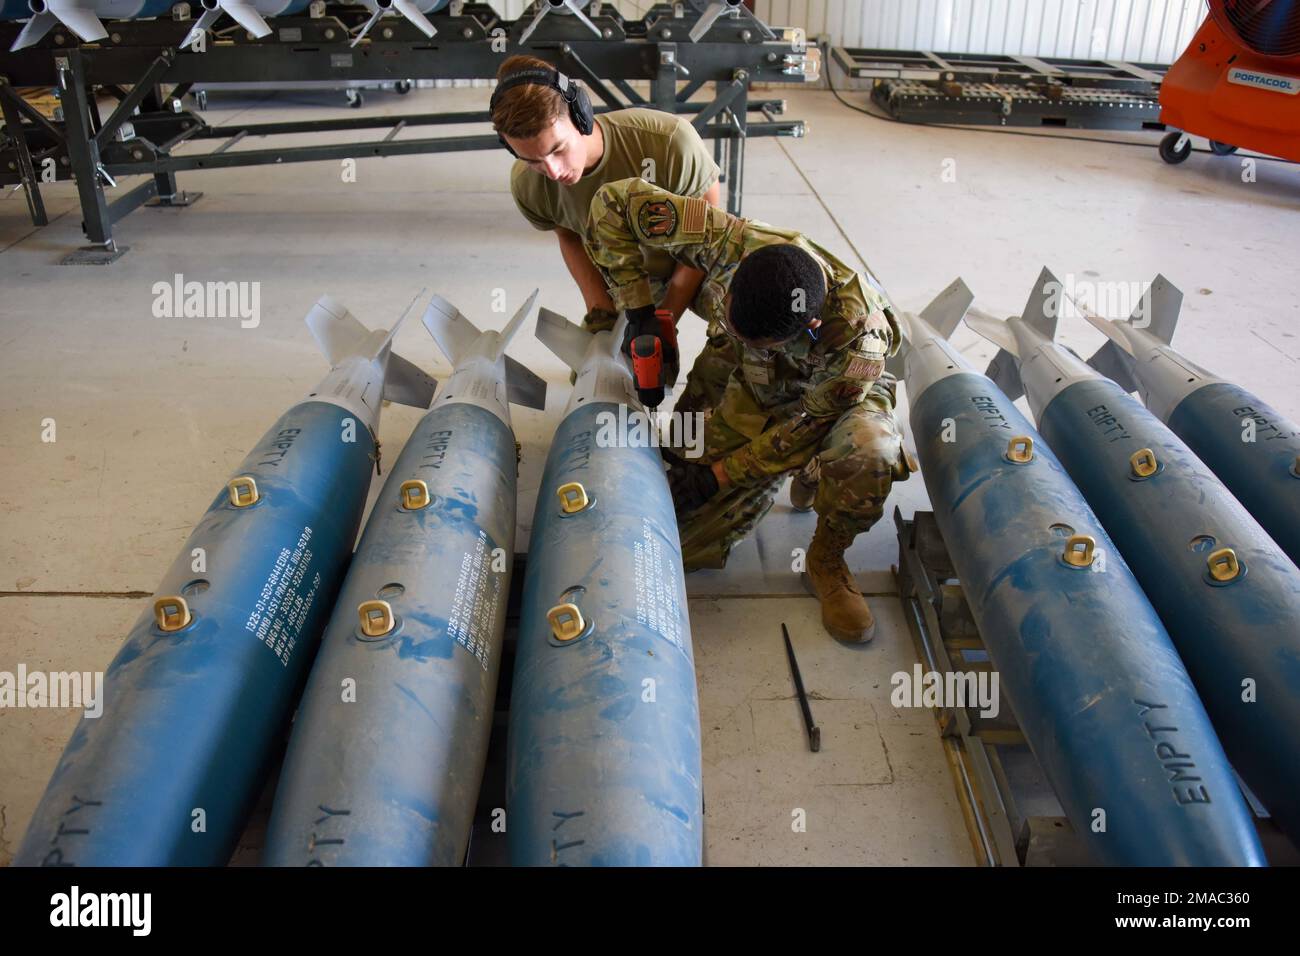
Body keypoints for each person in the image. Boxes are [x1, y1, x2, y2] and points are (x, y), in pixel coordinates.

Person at [586, 177, 913, 644]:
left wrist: (717, 475)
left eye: (749, 335)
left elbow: (805, 426)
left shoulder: (860, 340)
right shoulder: (728, 241)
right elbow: (611, 202)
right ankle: (801, 469)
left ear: (809, 325)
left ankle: (826, 558)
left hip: (833, 403)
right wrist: (642, 312)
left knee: (868, 452)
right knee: (683, 541)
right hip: (754, 380)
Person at [490, 54, 734, 414]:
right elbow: (569, 236)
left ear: (581, 116)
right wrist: (603, 312)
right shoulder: (530, 186)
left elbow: (711, 231)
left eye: (558, 149)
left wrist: (665, 317)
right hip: (626, 274)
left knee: (745, 323)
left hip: (697, 261)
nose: (553, 171)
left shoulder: (667, 143)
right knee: (600, 376)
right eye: (533, 160)